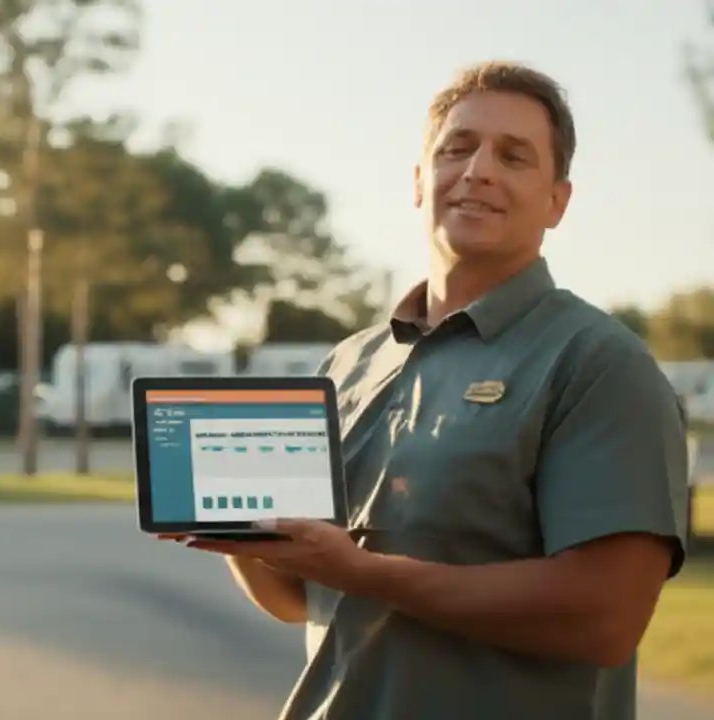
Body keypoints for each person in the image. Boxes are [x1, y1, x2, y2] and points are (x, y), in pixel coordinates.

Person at [169, 61, 690, 720]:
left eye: (514, 155)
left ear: (558, 201)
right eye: (457, 148)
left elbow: (604, 619)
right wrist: (232, 530)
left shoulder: (598, 363)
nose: (478, 171)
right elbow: (301, 598)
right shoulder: (347, 364)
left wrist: (360, 571)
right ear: (420, 181)